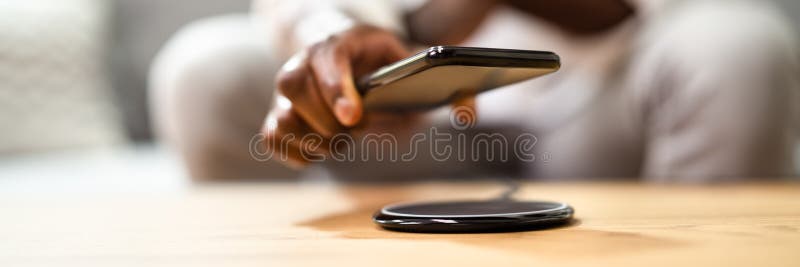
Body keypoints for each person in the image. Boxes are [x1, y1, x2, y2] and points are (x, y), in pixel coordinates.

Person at [150, 0, 799, 182]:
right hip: (402, 126)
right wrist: (330, 35)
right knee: (203, 72)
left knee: (740, 48)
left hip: (606, 106)